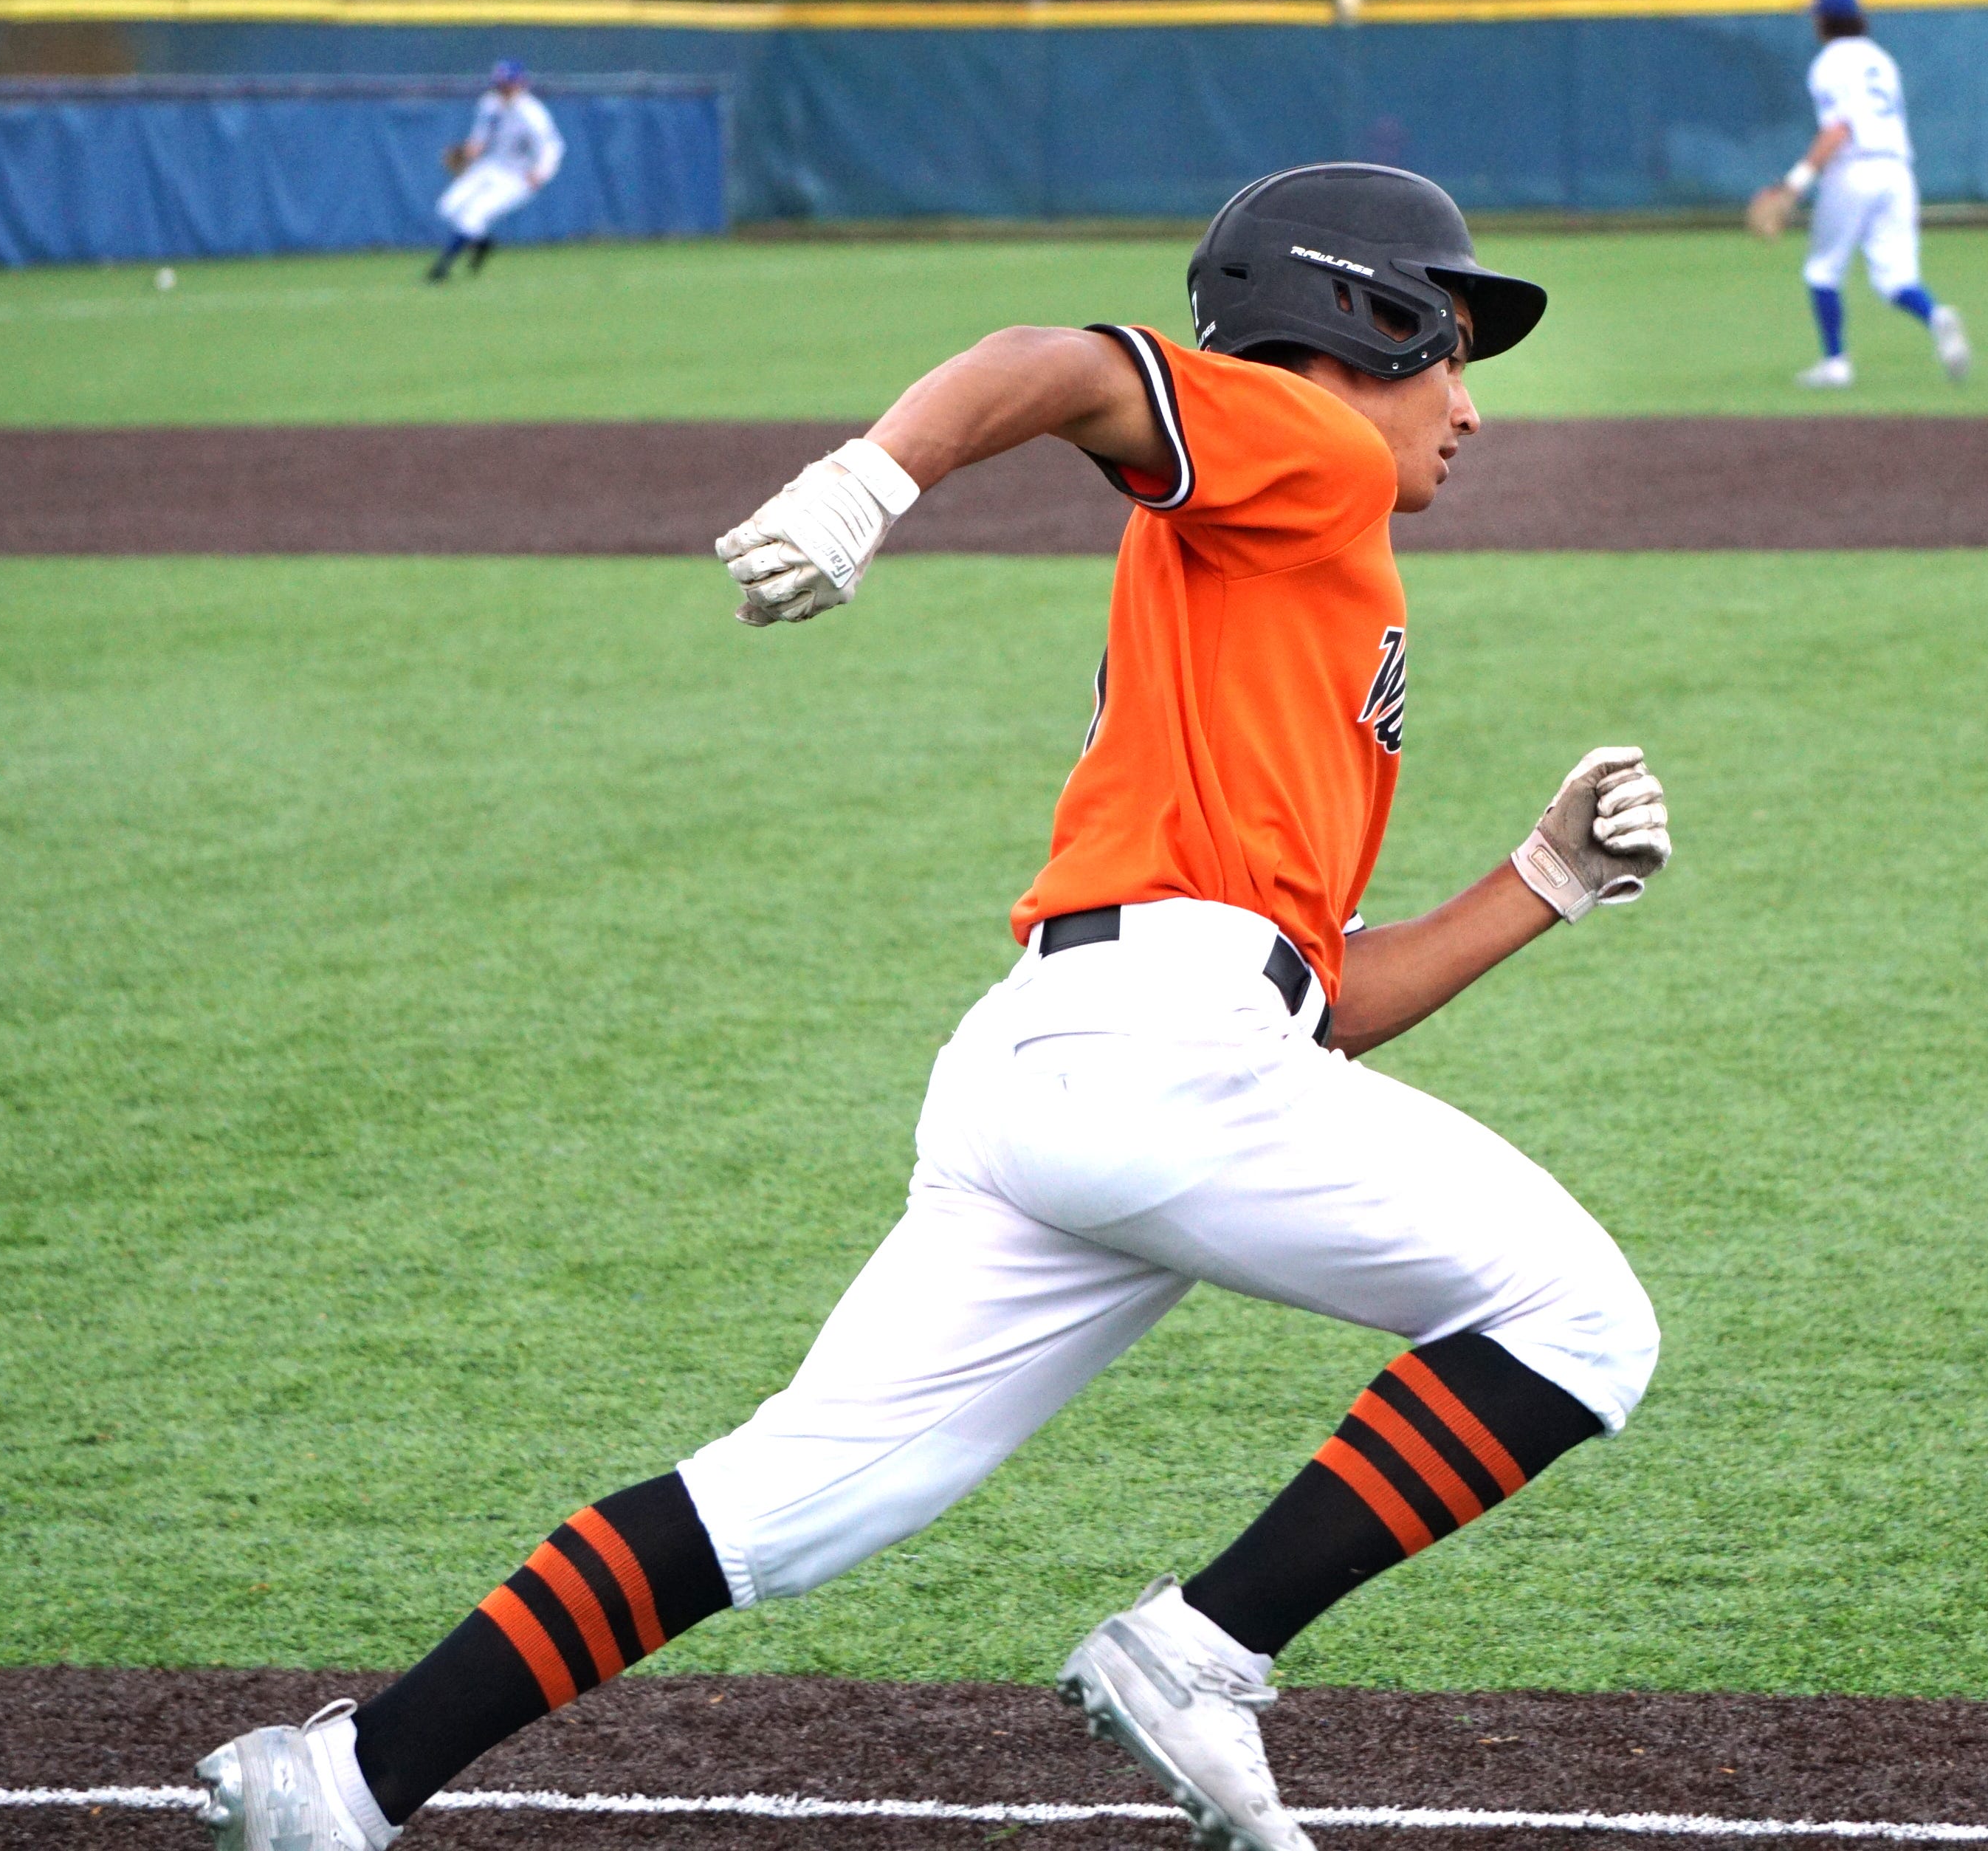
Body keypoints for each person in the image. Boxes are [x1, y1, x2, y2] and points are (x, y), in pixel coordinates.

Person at [197, 163, 1673, 1851]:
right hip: (1160, 1060)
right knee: (1579, 1322)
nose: (1468, 408)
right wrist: (868, 482)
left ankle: (349, 1779)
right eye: (1451, 349)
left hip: (1073, 1064)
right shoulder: (1308, 439)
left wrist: (1537, 886)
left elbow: (1319, 1002)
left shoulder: (1284, 554)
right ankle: (1197, 1654)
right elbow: (1052, 363)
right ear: (1356, 322)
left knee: (780, 1502)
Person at [1774, 0, 1970, 389]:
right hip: (1898, 172)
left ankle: (1836, 364)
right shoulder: (1882, 59)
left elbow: (1839, 128)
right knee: (1896, 280)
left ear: (1825, 19)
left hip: (1854, 170)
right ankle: (1937, 317)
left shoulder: (1829, 63)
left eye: (1816, 13)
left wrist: (1797, 181)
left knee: (1822, 271)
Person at [425, 59, 563, 283]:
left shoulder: (533, 113)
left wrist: (542, 172)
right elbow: (480, 140)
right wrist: (465, 152)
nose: (504, 89)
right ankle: (483, 243)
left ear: (521, 83)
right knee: (448, 207)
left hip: (518, 177)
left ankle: (442, 267)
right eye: (500, 84)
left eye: (508, 84)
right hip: (492, 166)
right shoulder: (490, 103)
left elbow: (552, 146)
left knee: (473, 215)